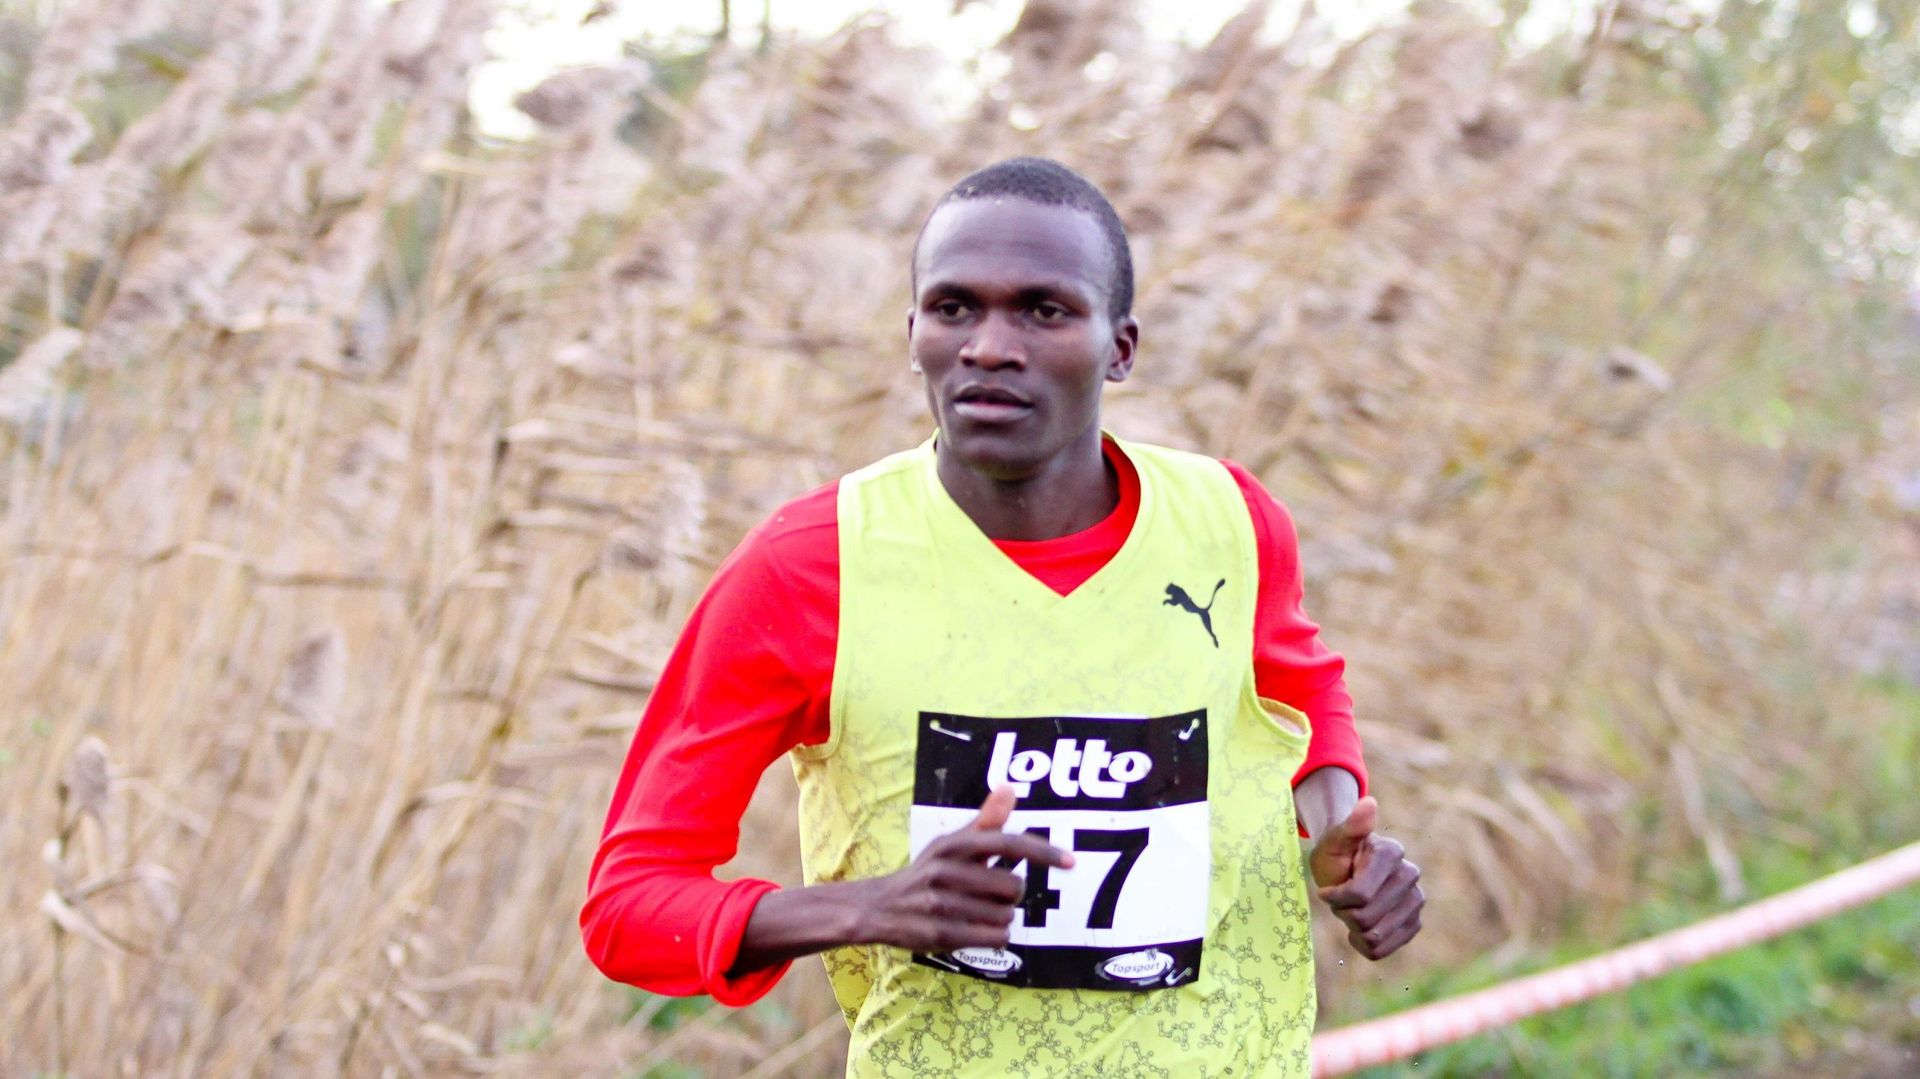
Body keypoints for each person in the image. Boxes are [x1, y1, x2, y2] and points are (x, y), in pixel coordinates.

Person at [582, 157, 1424, 1077]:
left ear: (1121, 346)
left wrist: (1345, 838)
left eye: (1043, 310)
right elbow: (627, 907)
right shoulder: (809, 565)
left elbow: (1298, 693)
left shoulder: (1231, 523)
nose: (989, 345)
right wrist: (864, 908)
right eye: (954, 309)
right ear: (912, 335)